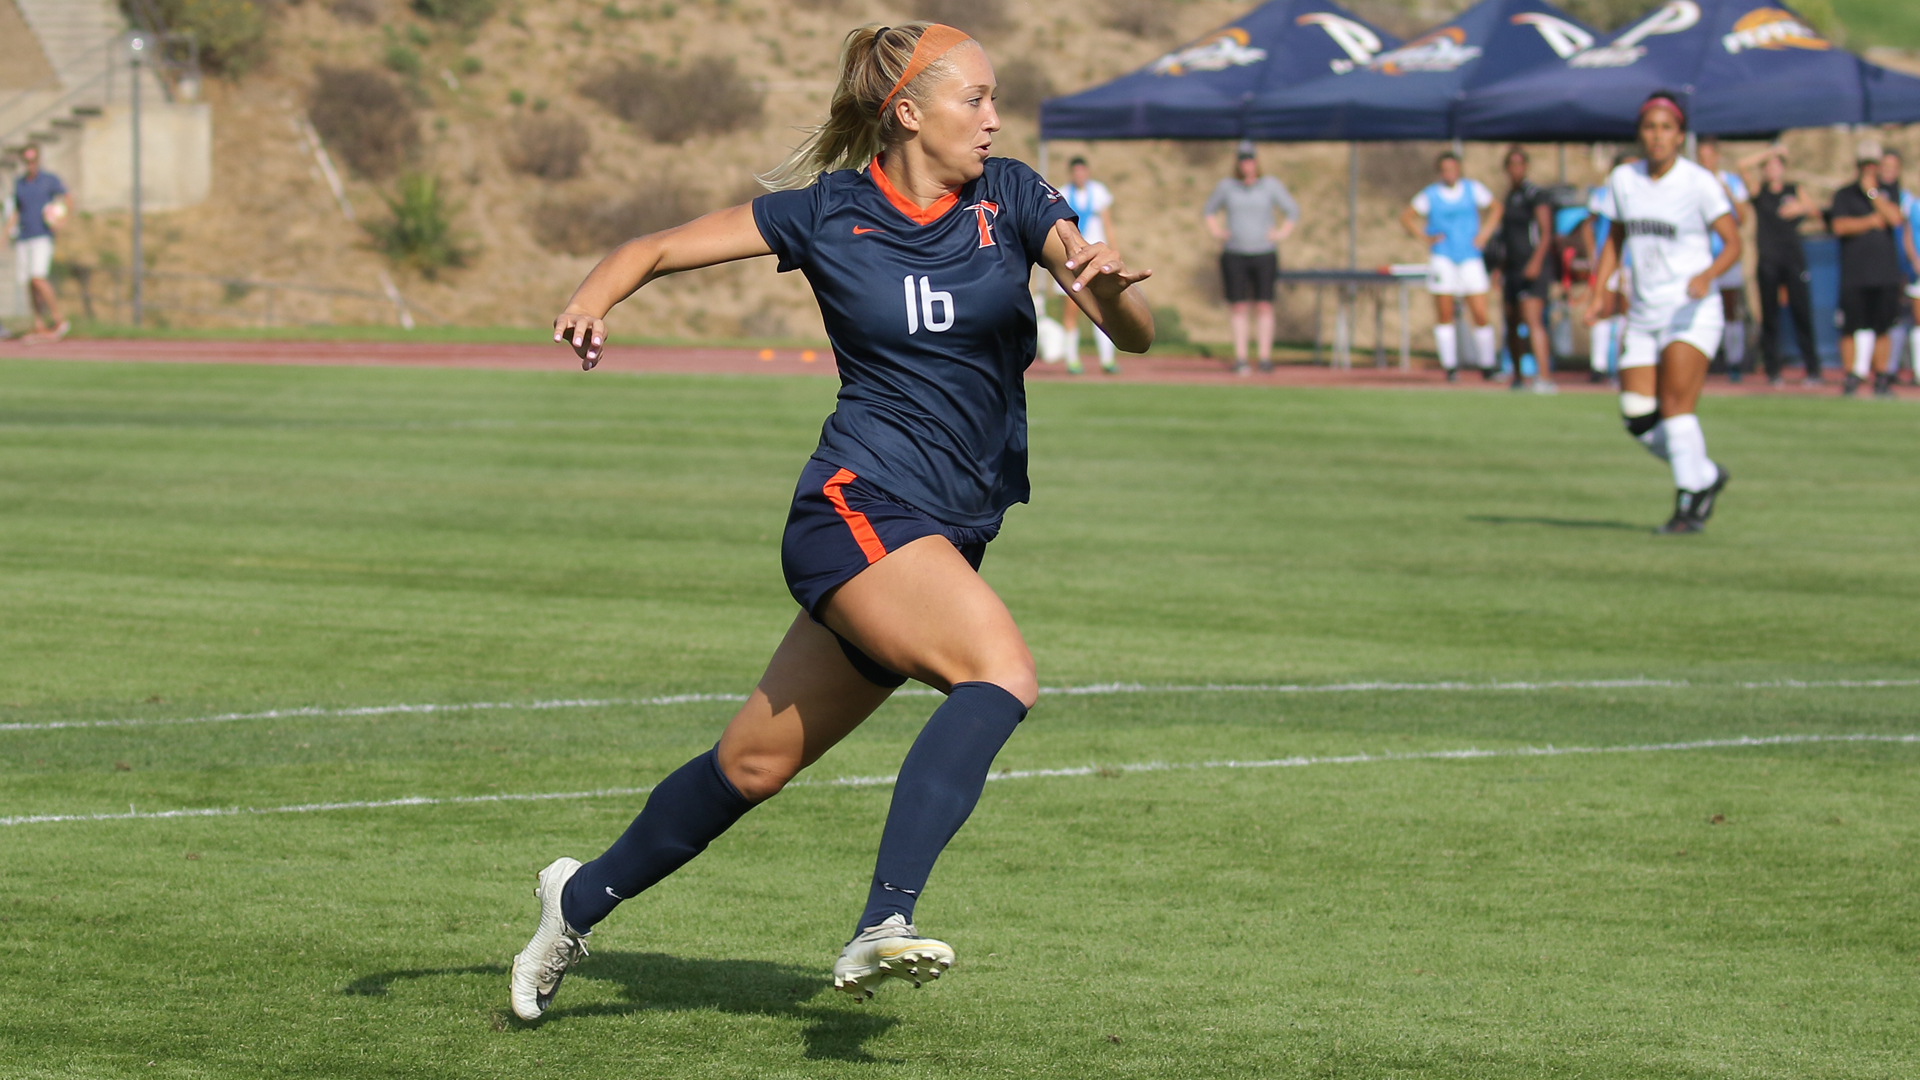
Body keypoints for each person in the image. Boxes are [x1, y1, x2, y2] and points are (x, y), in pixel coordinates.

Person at [510, 22, 1154, 1020]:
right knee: (999, 673)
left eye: (994, 100)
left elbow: (1132, 331)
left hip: (939, 535)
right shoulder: (831, 213)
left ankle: (575, 898)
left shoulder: (1015, 197)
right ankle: (884, 923)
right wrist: (595, 294)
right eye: (973, 99)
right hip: (857, 506)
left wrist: (1110, 293)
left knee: (752, 765)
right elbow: (660, 246)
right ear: (906, 111)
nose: (993, 118)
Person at [1585, 91, 1740, 534]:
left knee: (1675, 407)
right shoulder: (1624, 179)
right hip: (1644, 311)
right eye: (1650, 127)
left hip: (1690, 311)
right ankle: (1705, 474)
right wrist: (1600, 293)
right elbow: (1614, 239)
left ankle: (1688, 502)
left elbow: (1734, 241)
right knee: (1637, 416)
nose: (1657, 136)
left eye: (1666, 128)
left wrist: (1708, 274)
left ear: (1680, 135)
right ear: (1639, 133)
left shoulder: (1698, 182)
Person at [1400, 151, 1497, 382]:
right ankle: (1450, 366)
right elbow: (1406, 216)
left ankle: (1488, 364)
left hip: (1470, 256)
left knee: (1480, 313)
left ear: (1459, 169)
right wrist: (1425, 238)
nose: (1449, 173)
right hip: (1443, 257)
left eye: (1453, 168)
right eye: (1445, 169)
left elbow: (1496, 208)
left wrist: (1484, 234)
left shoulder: (1473, 189)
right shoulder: (1431, 194)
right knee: (1445, 314)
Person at [1203, 148, 1299, 375]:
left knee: (1264, 305)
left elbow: (1292, 210)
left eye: (1251, 161)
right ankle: (1241, 357)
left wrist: (1280, 233)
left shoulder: (1270, 185)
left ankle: (1265, 357)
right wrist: (1217, 231)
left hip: (1264, 252)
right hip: (1235, 253)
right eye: (1243, 161)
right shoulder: (1227, 186)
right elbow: (1209, 210)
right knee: (1238, 306)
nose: (1247, 166)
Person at [1825, 140, 1906, 398]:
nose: (1870, 170)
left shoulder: (1887, 191)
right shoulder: (1844, 194)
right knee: (1851, 326)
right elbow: (1839, 226)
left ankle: (1881, 376)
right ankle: (1851, 375)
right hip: (1855, 272)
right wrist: (1870, 221)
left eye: (1874, 165)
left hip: (1883, 271)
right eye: (1866, 166)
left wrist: (1873, 194)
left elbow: (1894, 218)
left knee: (1883, 326)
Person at [1740, 146, 1822, 386]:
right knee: (1770, 317)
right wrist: (1769, 152)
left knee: (1801, 313)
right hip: (1768, 260)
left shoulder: (1793, 190)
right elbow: (1742, 166)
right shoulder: (1760, 192)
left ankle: (1812, 369)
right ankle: (1773, 370)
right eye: (1769, 165)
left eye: (1777, 164)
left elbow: (1816, 213)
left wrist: (1802, 208)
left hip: (1793, 259)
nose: (1773, 169)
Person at [1496, 145, 1556, 392]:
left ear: (1526, 167)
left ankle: (1544, 377)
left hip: (1533, 268)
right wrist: (1499, 267)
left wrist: (1536, 262)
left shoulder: (1536, 194)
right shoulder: (1509, 196)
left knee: (1533, 319)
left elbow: (1545, 233)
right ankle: (1518, 377)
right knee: (1510, 321)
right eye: (1511, 165)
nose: (1515, 170)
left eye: (1520, 164)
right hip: (1512, 269)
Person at [1694, 137, 1751, 381]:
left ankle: (1733, 361)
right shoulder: (1692, 181)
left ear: (1717, 157)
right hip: (1699, 258)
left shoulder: (1730, 183)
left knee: (1730, 310)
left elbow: (1743, 218)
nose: (1706, 162)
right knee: (1696, 309)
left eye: (1709, 157)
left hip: (1724, 258)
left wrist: (1725, 192)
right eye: (1701, 158)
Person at [1578, 151, 1637, 384]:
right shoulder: (1603, 195)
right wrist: (1594, 254)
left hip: (1636, 263)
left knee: (1628, 312)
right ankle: (1598, 365)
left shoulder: (1646, 194)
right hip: (1610, 260)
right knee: (1604, 309)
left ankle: (1623, 362)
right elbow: (1588, 225)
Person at [1057, 156, 1119, 375]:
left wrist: (1114, 253)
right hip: (1073, 259)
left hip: (1097, 260)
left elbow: (1107, 224)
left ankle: (1107, 359)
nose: (1080, 175)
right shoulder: (1062, 193)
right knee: (1072, 309)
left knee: (1102, 308)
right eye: (1076, 172)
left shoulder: (1099, 192)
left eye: (1083, 171)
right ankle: (1072, 359)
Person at [6, 145, 70, 341]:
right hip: (24, 237)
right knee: (29, 283)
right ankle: (39, 323)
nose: (30, 164)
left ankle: (58, 318)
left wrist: (61, 220)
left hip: (42, 236)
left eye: (33, 160)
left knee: (38, 278)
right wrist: (5, 233)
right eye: (27, 161)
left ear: (38, 160)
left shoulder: (49, 180)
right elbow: (17, 210)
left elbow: (67, 197)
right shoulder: (20, 184)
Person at [1885, 148, 1919, 385]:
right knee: (1899, 317)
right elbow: (1906, 232)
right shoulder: (1909, 203)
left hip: (1908, 268)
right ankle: (1895, 369)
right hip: (1900, 267)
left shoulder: (1906, 199)